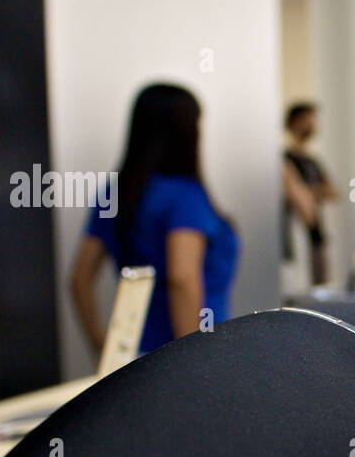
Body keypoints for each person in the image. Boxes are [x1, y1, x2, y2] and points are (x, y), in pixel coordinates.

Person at [70, 83, 238, 356]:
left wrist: (99, 345)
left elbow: (79, 278)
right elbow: (181, 278)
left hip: (133, 356)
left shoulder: (117, 192)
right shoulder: (185, 196)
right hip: (181, 359)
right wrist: (190, 361)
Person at [283, 101, 338, 284]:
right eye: (307, 119)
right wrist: (305, 192)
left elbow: (332, 192)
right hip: (295, 234)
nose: (312, 124)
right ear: (294, 122)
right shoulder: (284, 159)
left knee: (320, 283)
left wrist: (306, 191)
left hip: (315, 233)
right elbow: (296, 195)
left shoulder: (312, 160)